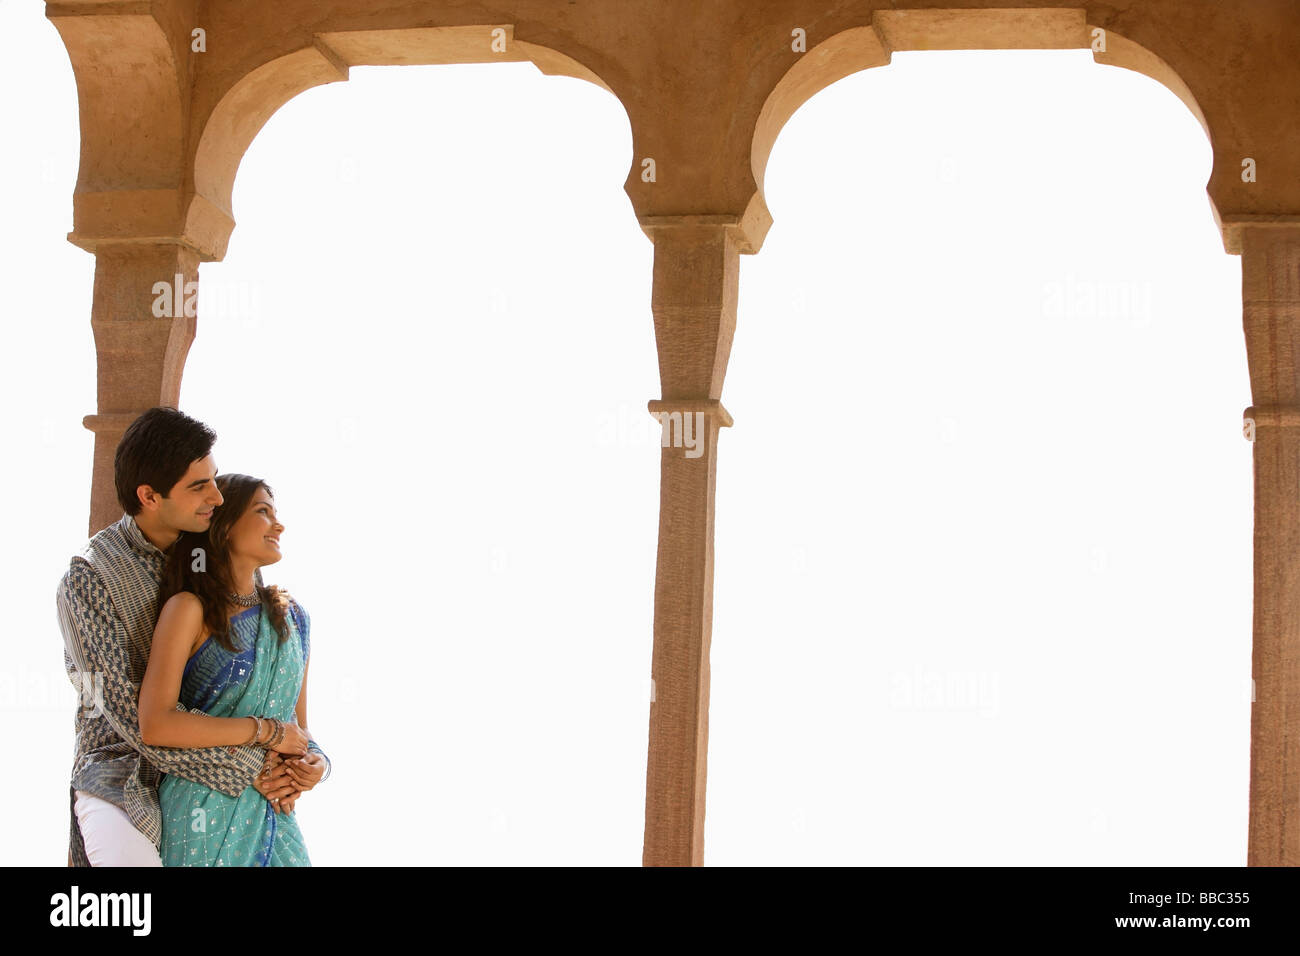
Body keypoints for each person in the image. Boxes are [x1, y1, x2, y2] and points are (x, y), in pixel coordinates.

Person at [56, 406, 329, 866]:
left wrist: (307, 763)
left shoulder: (212, 554)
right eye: (199, 487)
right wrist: (251, 761)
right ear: (150, 496)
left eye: (215, 480)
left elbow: (260, 690)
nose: (217, 498)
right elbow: (130, 714)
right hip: (123, 774)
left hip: (223, 767)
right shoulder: (91, 578)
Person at [140, 473, 321, 866]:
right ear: (223, 528)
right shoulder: (190, 610)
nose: (279, 524)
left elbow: (300, 731)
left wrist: (315, 766)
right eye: (262, 511)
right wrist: (267, 732)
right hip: (202, 811)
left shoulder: (293, 621)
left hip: (274, 812)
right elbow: (156, 723)